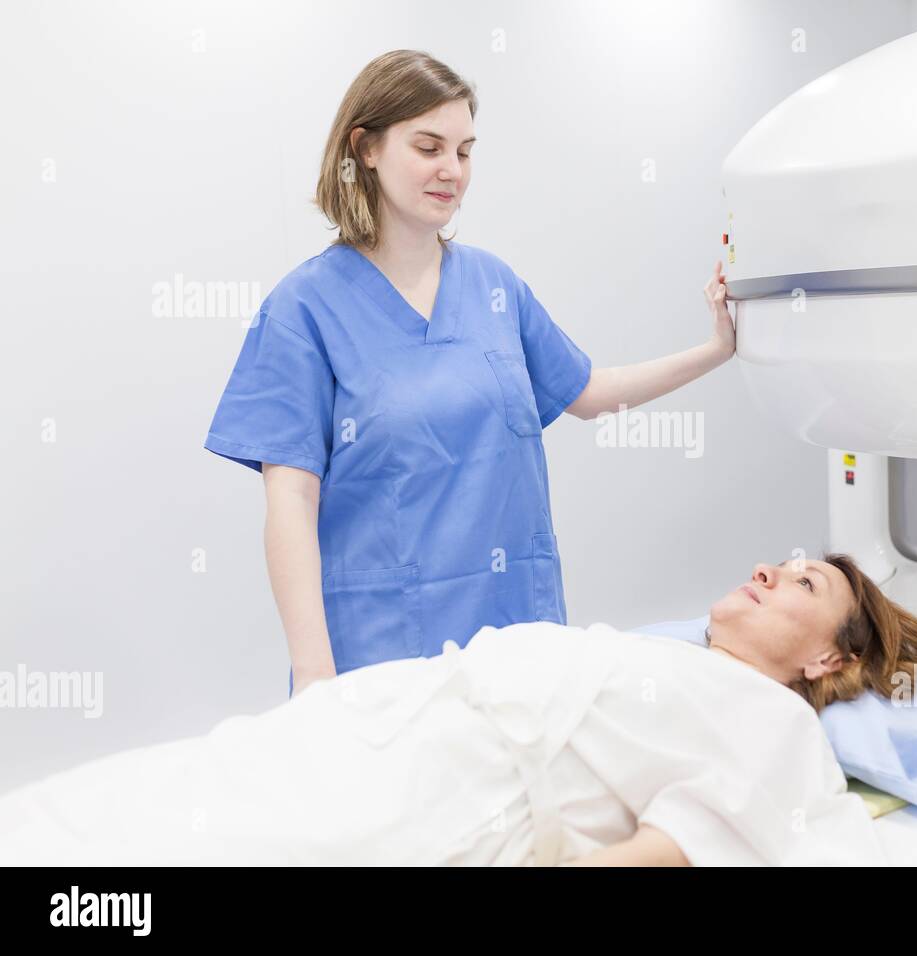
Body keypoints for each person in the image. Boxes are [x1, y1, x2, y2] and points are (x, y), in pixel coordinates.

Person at [203, 49, 737, 697]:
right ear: (364, 148)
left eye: (464, 150)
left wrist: (716, 349)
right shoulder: (304, 308)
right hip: (379, 655)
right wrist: (317, 679)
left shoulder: (493, 287)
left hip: (516, 636)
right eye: (428, 147)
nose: (450, 171)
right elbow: (290, 500)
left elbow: (589, 393)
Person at [0, 554, 917, 866]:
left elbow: (670, 850)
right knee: (172, 785)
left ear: (827, 656)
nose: (768, 569)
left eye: (804, 581)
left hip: (452, 783)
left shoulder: (772, 723)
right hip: (387, 716)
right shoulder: (666, 655)